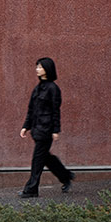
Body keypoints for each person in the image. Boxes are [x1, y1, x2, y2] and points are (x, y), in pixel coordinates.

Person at [18, 56, 73, 197]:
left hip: (46, 130)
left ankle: (31, 189)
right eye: (37, 67)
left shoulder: (53, 89)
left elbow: (56, 110)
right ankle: (65, 176)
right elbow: (31, 110)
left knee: (37, 160)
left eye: (40, 67)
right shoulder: (37, 89)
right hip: (37, 129)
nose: (37, 69)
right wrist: (26, 126)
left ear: (47, 69)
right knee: (45, 157)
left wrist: (55, 130)